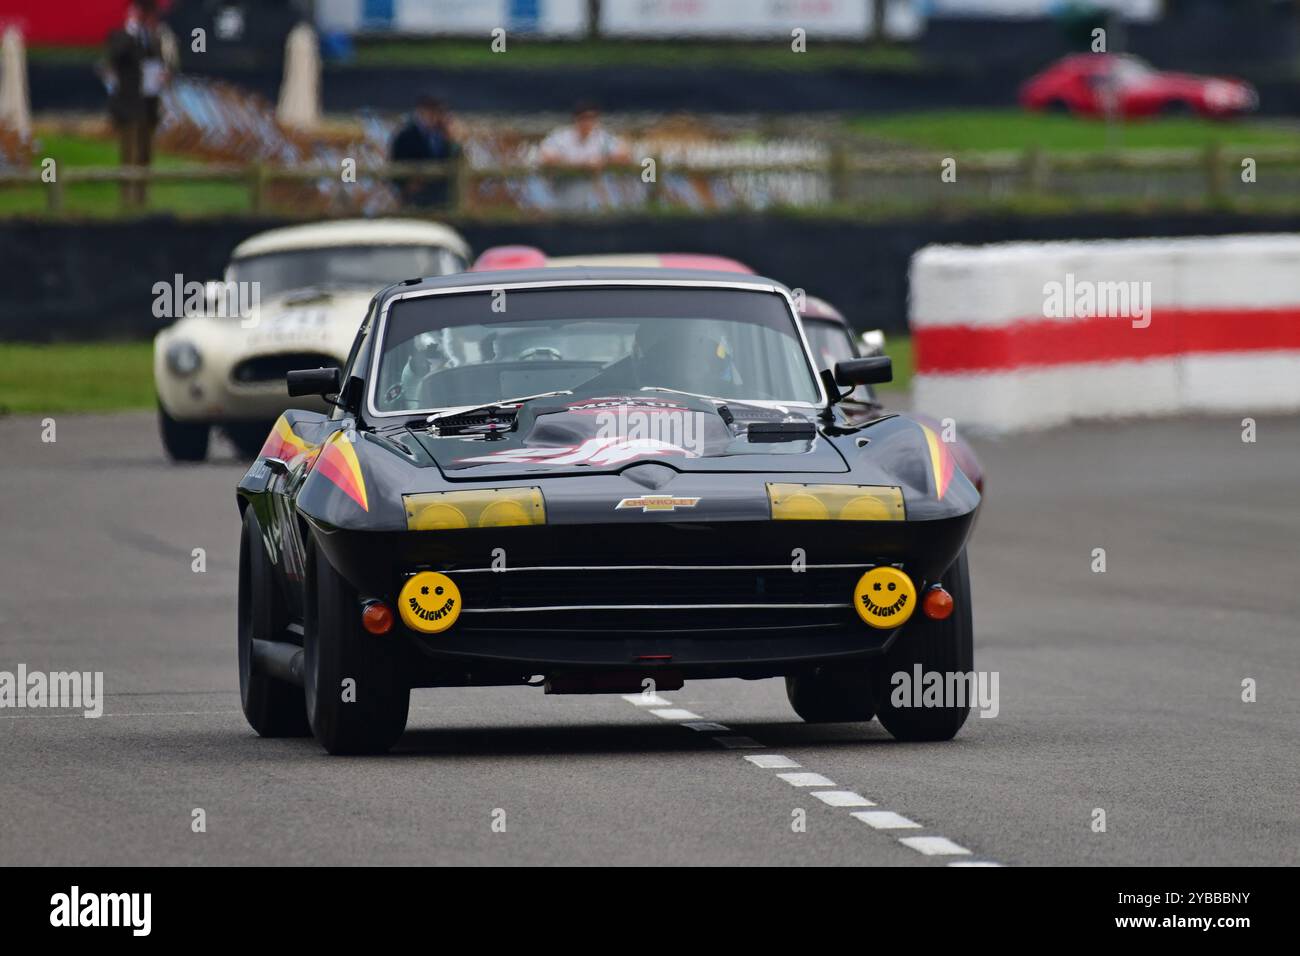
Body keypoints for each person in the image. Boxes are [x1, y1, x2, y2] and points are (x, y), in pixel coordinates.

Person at [103, 0, 177, 207]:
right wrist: (133, 29)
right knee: (130, 153)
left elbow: (160, 62)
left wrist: (165, 75)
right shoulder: (122, 36)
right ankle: (128, 198)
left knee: (145, 154)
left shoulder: (153, 38)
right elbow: (116, 56)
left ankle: (142, 197)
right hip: (128, 105)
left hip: (148, 104)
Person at [390, 95, 462, 209]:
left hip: (442, 199)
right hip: (415, 200)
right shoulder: (406, 136)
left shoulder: (443, 137)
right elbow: (395, 165)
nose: (435, 117)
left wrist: (452, 141)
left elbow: (456, 162)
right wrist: (407, 185)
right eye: (431, 111)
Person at [538, 101, 630, 170]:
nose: (588, 122)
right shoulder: (559, 137)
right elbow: (546, 158)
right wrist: (581, 165)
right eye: (584, 118)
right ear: (576, 119)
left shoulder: (604, 137)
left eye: (592, 118)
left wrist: (604, 161)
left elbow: (624, 156)